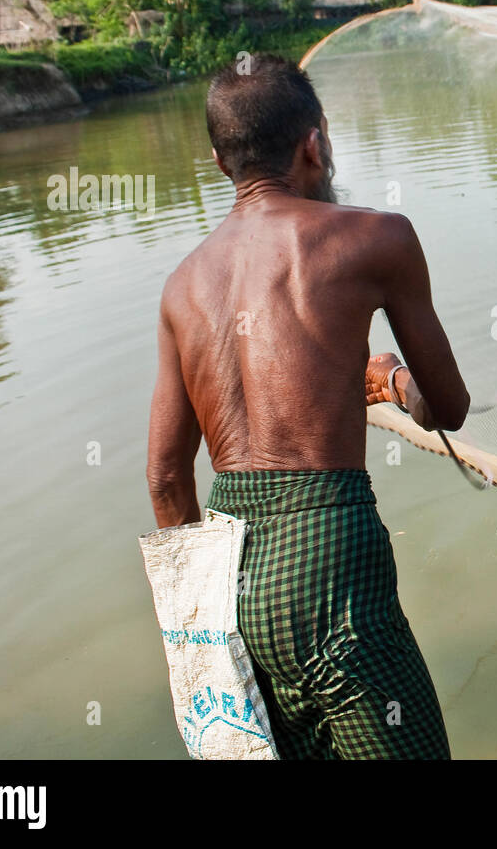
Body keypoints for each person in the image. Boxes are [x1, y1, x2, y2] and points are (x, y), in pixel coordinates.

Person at [146, 52, 470, 759]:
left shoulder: (181, 287)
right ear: (314, 143)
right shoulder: (376, 237)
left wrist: (208, 627)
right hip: (331, 561)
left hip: (229, 575)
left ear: (218, 162)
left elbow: (167, 480)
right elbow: (449, 406)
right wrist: (392, 381)